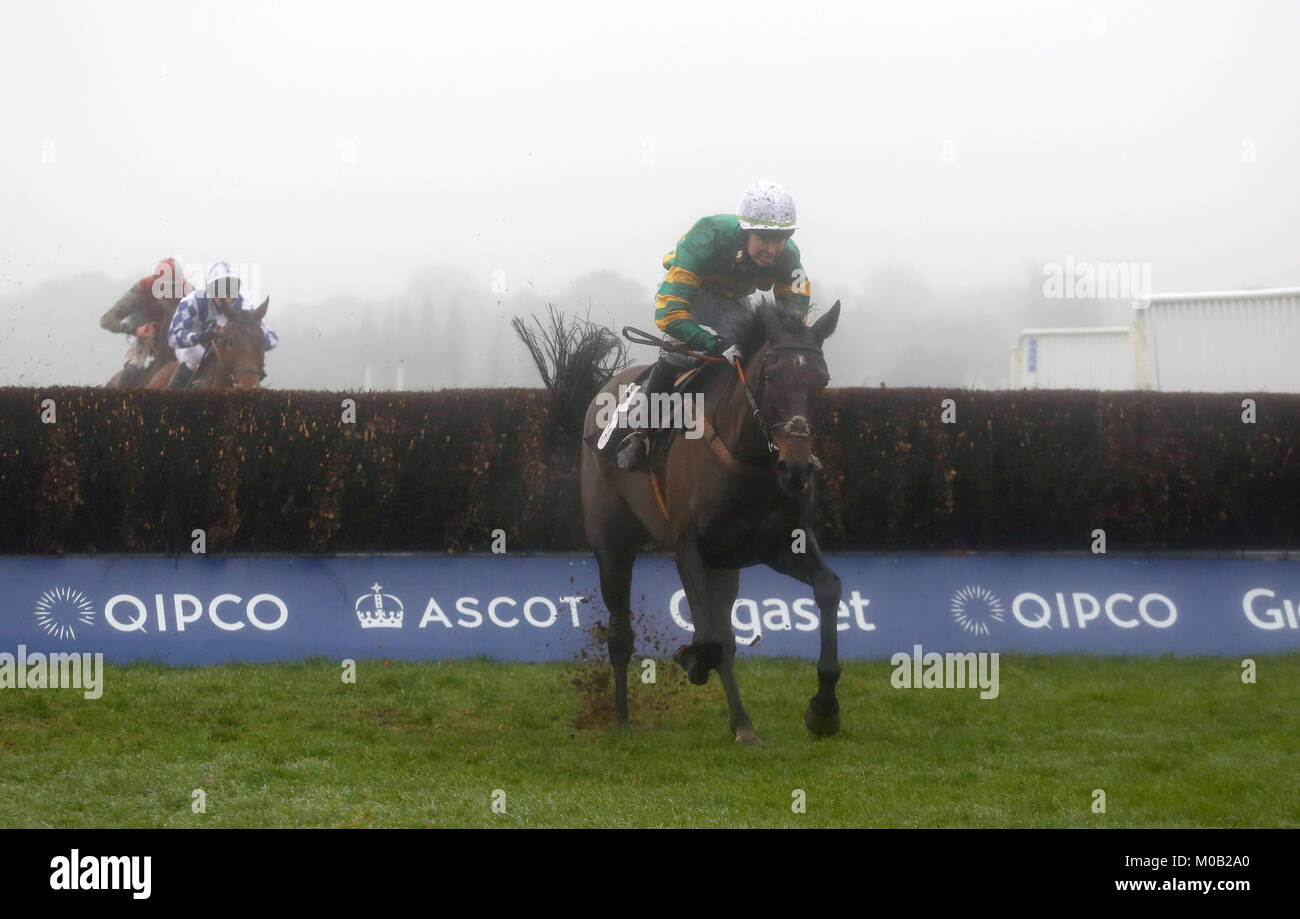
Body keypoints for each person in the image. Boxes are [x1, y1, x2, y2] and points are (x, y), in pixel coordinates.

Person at [614, 180, 811, 471]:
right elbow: (670, 315)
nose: (772, 250)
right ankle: (641, 431)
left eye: (781, 239)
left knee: (755, 355)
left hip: (730, 303)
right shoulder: (705, 236)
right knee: (681, 354)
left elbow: (795, 318)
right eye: (764, 240)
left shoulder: (788, 256)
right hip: (689, 298)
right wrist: (711, 344)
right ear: (745, 233)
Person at [167, 261, 279, 389]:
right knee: (195, 358)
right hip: (193, 346)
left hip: (229, 349)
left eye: (231, 290)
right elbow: (173, 337)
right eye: (220, 290)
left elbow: (272, 339)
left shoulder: (244, 304)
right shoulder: (193, 301)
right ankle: (173, 395)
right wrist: (201, 336)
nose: (226, 296)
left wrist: (252, 342)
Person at [99, 258, 192, 382]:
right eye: (167, 286)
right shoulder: (141, 292)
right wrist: (135, 330)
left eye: (174, 286)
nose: (172, 292)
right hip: (140, 332)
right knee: (133, 370)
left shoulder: (187, 291)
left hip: (169, 334)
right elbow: (106, 320)